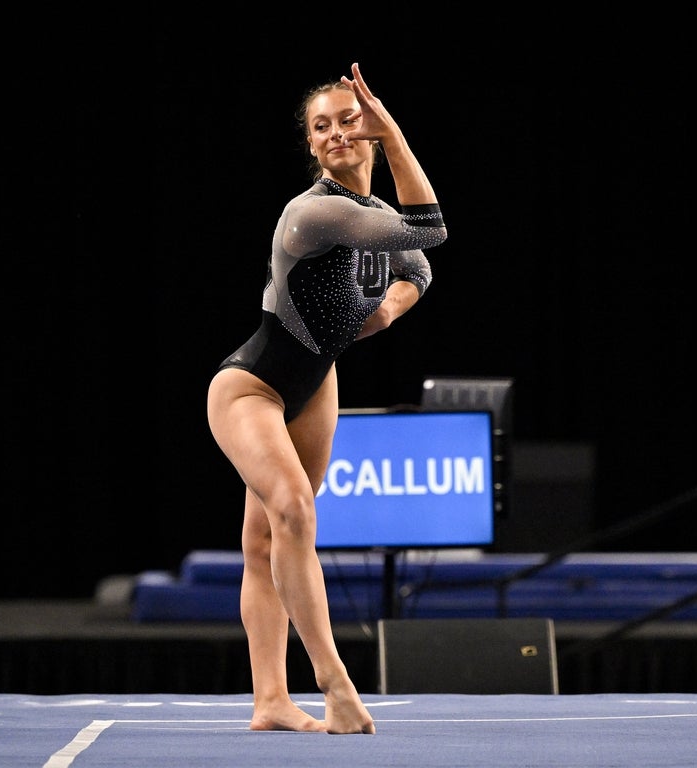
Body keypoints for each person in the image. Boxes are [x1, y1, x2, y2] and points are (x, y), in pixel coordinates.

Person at [206, 62, 447, 735]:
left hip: (315, 384)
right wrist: (393, 134)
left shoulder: (370, 215)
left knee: (267, 539)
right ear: (311, 146)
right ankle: (335, 684)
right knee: (293, 510)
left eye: (351, 120)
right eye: (323, 126)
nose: (338, 132)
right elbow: (428, 231)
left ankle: (271, 702)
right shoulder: (314, 212)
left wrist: (392, 308)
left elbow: (417, 267)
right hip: (250, 387)